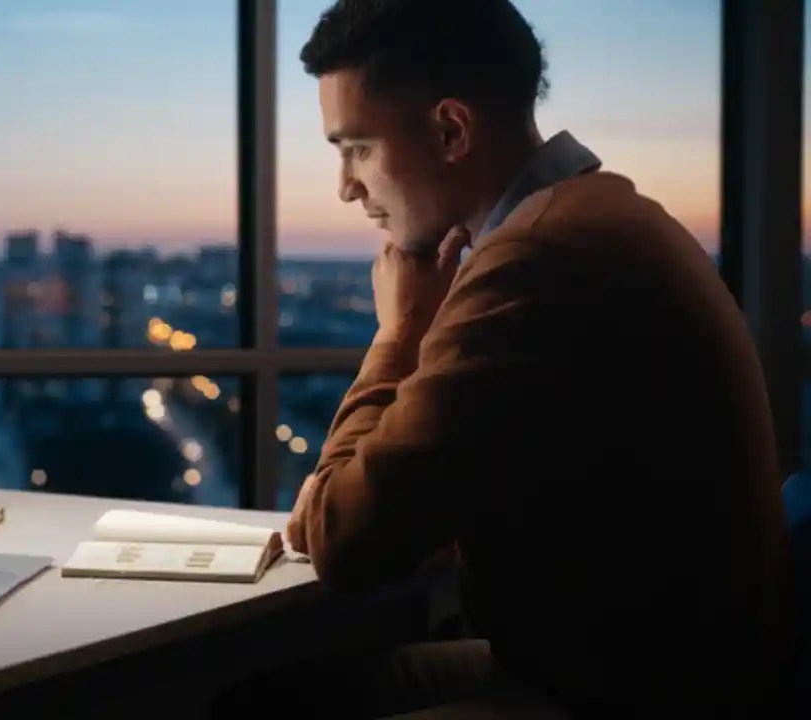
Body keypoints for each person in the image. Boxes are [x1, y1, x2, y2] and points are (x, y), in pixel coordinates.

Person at [216, 0, 796, 717]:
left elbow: (341, 542)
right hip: (649, 668)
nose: (346, 186)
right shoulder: (597, 216)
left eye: (357, 148)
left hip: (624, 695)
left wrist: (399, 333)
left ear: (451, 131)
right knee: (280, 698)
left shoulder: (534, 257)